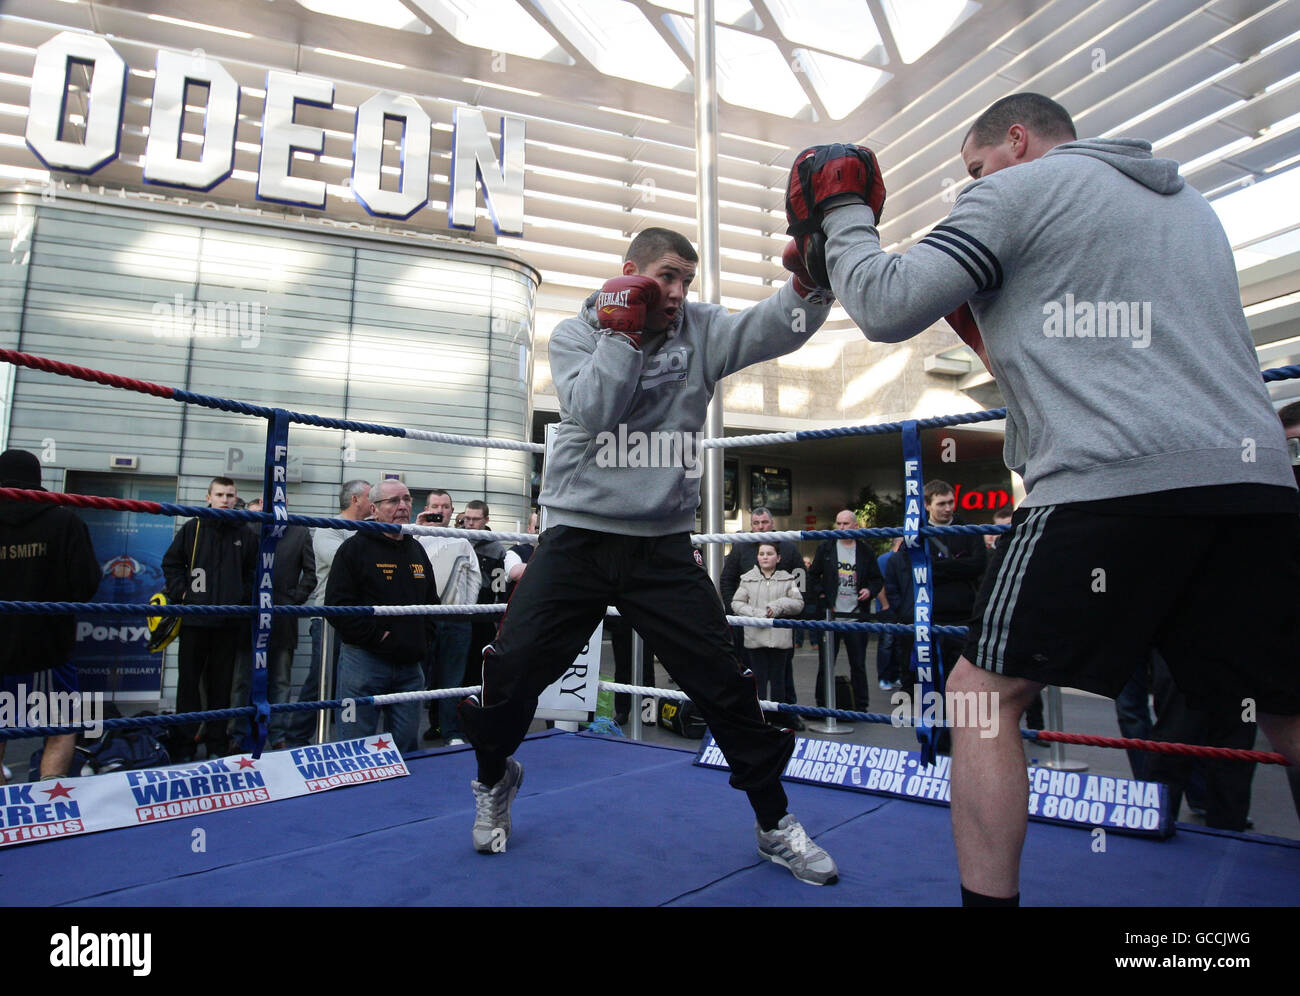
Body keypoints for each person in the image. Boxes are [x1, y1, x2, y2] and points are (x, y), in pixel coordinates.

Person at [801, 92, 1300, 905]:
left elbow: (887, 305)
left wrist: (843, 212)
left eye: (974, 168)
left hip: (1114, 481)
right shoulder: (1189, 208)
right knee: (1287, 700)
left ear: (1019, 141)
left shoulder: (1021, 188)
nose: (971, 187)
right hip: (1254, 483)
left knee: (981, 696)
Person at [457, 226, 842, 885]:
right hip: (576, 538)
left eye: (686, 281)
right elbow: (595, 412)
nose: (676, 293)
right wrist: (622, 332)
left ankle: (774, 822)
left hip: (661, 545)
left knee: (724, 680)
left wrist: (813, 282)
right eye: (665, 277)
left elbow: (773, 327)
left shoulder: (700, 329)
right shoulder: (578, 333)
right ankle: (495, 777)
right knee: (511, 670)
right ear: (631, 270)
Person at [0, 449, 100, 782]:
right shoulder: (63, 520)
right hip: (49, 647)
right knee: (61, 728)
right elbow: (87, 583)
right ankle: (47, 810)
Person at [325, 480, 439, 754]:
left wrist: (422, 639)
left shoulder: (416, 549)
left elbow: (431, 603)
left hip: (410, 667)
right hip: (365, 663)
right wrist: (377, 637)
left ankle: (403, 798)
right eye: (393, 501)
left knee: (407, 747)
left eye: (407, 499)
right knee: (356, 747)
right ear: (374, 509)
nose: (403, 506)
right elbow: (337, 606)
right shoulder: (354, 549)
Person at [161, 476, 256, 762]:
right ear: (208, 497)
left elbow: (254, 574)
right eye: (220, 494)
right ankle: (184, 744)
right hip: (193, 621)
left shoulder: (246, 533)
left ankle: (217, 743)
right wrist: (183, 593)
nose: (225, 500)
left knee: (221, 686)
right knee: (188, 685)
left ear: (236, 498)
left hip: (228, 624)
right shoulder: (192, 528)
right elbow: (171, 563)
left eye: (230, 495)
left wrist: (240, 600)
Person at [282, 479, 371, 749]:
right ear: (356, 500)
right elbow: (350, 564)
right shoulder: (329, 528)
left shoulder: (369, 529)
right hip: (329, 618)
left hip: (360, 616)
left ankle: (349, 736)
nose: (375, 501)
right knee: (320, 679)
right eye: (371, 496)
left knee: (356, 679)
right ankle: (297, 736)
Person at [229, 499, 315, 750]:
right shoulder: (248, 528)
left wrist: (293, 599)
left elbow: (310, 573)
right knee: (242, 679)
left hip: (282, 617)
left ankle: (277, 734)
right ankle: (237, 734)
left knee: (280, 679)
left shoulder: (299, 531)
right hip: (249, 615)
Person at [720, 507, 804, 721]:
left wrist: (790, 611)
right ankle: (752, 714)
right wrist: (737, 612)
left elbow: (801, 581)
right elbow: (727, 580)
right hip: (748, 623)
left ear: (772, 523)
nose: (760, 527)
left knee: (783, 671)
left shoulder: (789, 548)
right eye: (756, 523)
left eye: (764, 522)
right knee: (748, 670)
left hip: (781, 623)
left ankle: (787, 714)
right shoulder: (740, 548)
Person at [416, 489, 480, 746]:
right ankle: (427, 727)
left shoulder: (463, 541)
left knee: (452, 679)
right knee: (420, 678)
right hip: (421, 619)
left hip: (456, 620)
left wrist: (466, 608)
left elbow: (474, 577)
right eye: (435, 506)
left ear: (453, 512)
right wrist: (416, 527)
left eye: (445, 506)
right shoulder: (414, 537)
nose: (439, 511)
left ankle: (452, 731)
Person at [807, 509, 885, 712]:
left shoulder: (865, 550)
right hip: (831, 615)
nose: (841, 528)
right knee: (826, 663)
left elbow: (877, 578)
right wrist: (823, 597)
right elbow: (813, 576)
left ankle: (861, 707)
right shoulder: (826, 547)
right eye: (838, 524)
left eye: (846, 524)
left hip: (856, 616)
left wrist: (869, 590)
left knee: (858, 664)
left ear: (855, 526)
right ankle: (822, 704)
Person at [461, 500, 506, 689]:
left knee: (476, 667)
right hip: (457, 612)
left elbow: (500, 588)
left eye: (475, 519)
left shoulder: (497, 549)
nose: (470, 523)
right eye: (467, 518)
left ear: (486, 519)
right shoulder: (457, 539)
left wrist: (499, 621)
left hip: (483, 616)